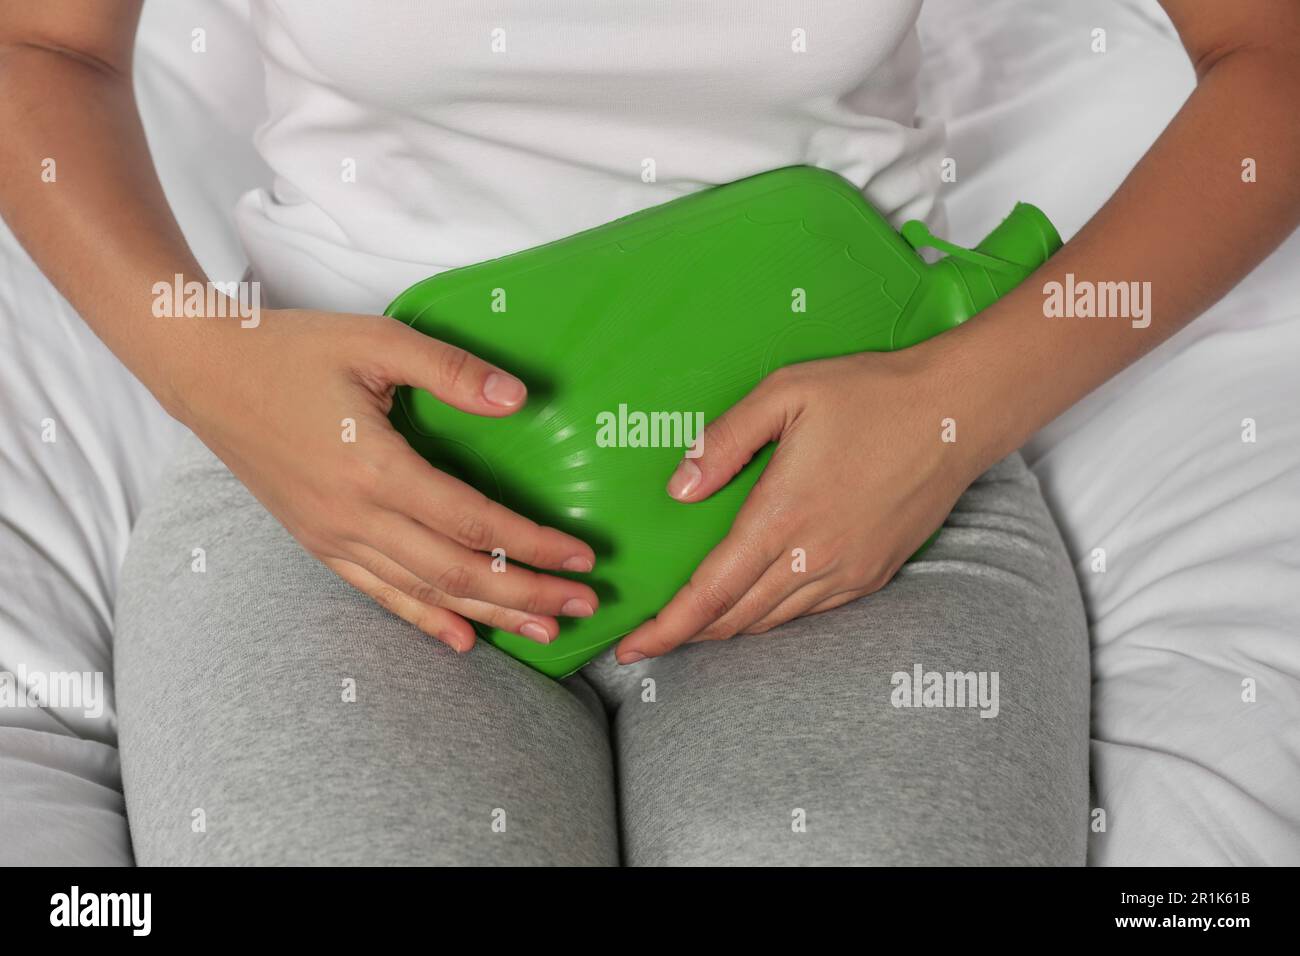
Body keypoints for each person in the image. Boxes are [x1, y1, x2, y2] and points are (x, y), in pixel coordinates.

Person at [1, 0, 1297, 865]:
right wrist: (203, 363)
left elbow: (1272, 53)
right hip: (348, 479)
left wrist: (952, 406)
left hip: (854, 478)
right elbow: (44, 46)